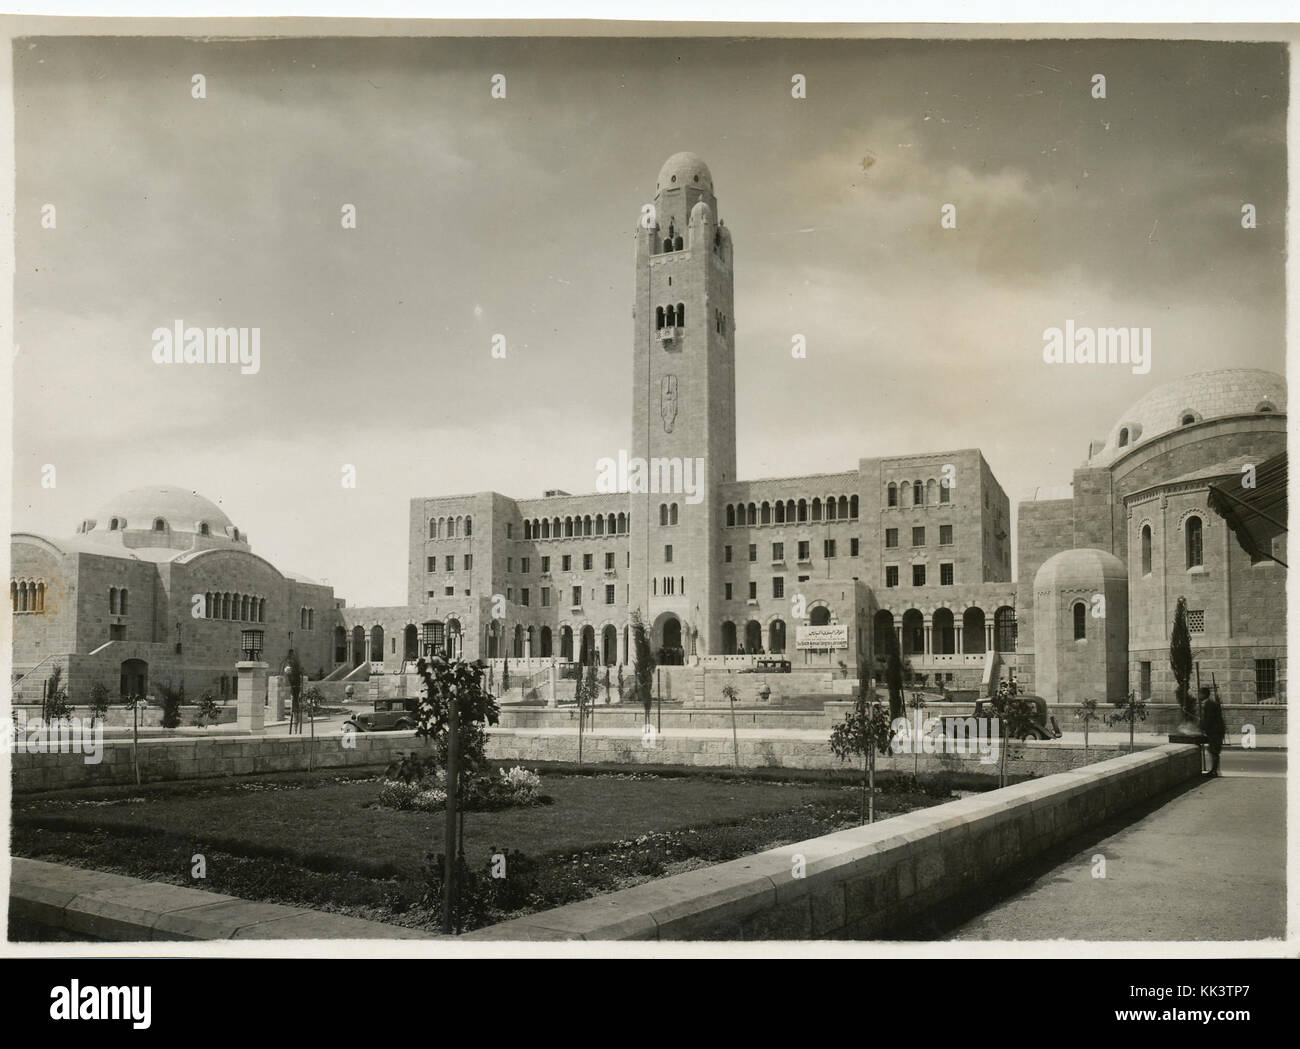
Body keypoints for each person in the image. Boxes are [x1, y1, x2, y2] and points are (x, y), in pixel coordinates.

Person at [1200, 692, 1226, 776]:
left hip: (1215, 731)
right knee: (1213, 751)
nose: (1198, 695)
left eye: (1200, 693)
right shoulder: (1210, 703)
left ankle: (1214, 771)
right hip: (1216, 731)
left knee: (1214, 751)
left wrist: (1203, 727)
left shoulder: (1209, 704)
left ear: (1204, 694)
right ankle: (1214, 770)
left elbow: (1209, 719)